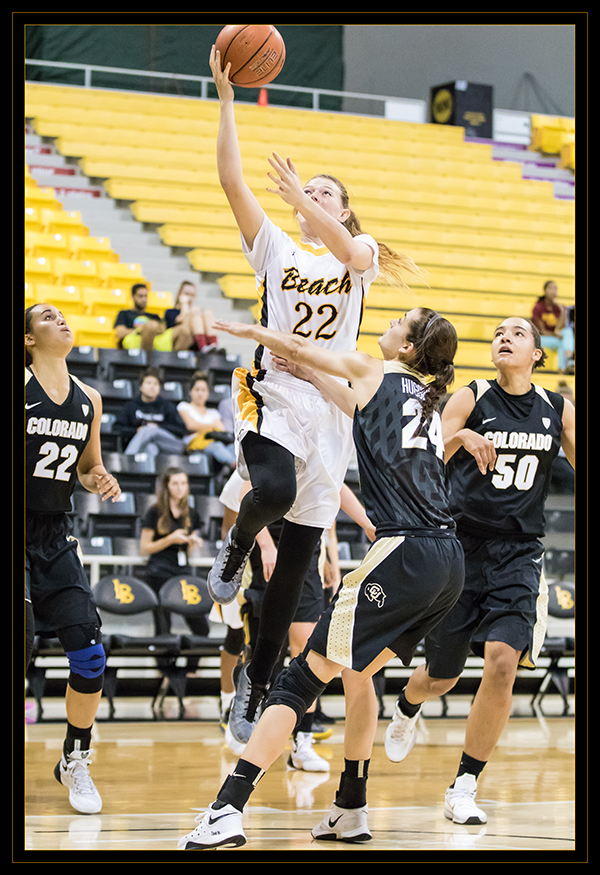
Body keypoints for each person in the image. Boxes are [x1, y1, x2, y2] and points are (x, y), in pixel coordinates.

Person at [178, 305, 463, 849]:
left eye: (400, 320)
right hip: (447, 564)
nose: (387, 322)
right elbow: (351, 403)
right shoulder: (430, 399)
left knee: (299, 678)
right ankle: (349, 809)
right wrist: (311, 377)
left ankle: (224, 810)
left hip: (403, 553)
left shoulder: (373, 369)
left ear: (408, 346)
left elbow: (306, 349)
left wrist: (251, 330)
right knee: (359, 677)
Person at [205, 46, 425, 748]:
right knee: (265, 488)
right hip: (271, 390)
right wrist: (230, 99)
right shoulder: (277, 248)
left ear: (345, 211)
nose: (315, 202)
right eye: (312, 195)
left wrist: (304, 197)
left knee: (294, 575)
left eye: (329, 196)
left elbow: (357, 252)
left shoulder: (357, 258)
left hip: (329, 416)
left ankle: (258, 683)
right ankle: (237, 546)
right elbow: (232, 180)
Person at [382, 316, 575, 826]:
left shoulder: (557, 409)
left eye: (516, 333)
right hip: (460, 548)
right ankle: (407, 704)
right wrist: (462, 435)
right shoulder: (471, 397)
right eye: (497, 333)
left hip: (519, 553)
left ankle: (464, 783)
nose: (503, 338)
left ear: (537, 353)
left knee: (503, 661)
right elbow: (425, 457)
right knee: (441, 677)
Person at [25, 303, 121, 814]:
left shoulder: (89, 398)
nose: (60, 321)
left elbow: (87, 466)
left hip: (56, 536)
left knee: (89, 655)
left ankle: (74, 758)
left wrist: (98, 477)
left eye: (63, 315)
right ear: (27, 340)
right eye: (46, 317)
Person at [139, 467, 205, 641]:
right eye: (175, 483)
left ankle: (191, 669)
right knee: (163, 628)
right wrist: (170, 539)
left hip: (182, 571)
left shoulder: (192, 513)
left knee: (201, 627)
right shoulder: (155, 512)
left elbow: (191, 550)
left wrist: (193, 542)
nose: (180, 488)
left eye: (183, 483)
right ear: (167, 486)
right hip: (159, 570)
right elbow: (144, 547)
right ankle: (165, 668)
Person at [114, 367, 187, 457]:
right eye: (148, 383)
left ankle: (128, 458)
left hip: (170, 445)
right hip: (148, 445)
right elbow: (117, 428)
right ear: (141, 387)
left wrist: (158, 427)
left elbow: (180, 430)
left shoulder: (167, 406)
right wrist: (136, 430)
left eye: (156, 384)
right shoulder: (131, 406)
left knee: (149, 429)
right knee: (150, 448)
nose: (152, 387)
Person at [176, 371, 236, 473]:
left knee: (232, 447)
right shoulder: (184, 406)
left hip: (214, 443)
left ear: (208, 393)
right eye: (197, 390)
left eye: (203, 390)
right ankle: (234, 465)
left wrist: (202, 427)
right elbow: (191, 425)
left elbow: (221, 429)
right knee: (216, 446)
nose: (200, 393)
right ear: (190, 392)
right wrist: (212, 426)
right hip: (195, 444)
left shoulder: (213, 412)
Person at [161, 280, 219, 353]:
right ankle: (203, 346)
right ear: (179, 295)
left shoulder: (196, 312)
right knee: (195, 312)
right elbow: (182, 321)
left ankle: (213, 345)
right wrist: (184, 304)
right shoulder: (170, 312)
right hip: (177, 340)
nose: (189, 298)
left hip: (193, 339)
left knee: (208, 313)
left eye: (192, 295)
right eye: (187, 294)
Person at [531, 280, 574, 373]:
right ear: (545, 291)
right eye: (550, 288)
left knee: (567, 332)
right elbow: (541, 331)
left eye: (555, 289)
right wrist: (556, 335)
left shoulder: (557, 308)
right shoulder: (538, 307)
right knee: (563, 340)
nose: (553, 291)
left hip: (553, 339)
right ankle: (565, 364)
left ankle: (565, 363)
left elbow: (559, 328)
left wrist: (563, 312)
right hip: (540, 339)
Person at [113, 283, 165, 351]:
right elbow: (119, 333)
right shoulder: (124, 313)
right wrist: (140, 330)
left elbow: (162, 331)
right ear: (132, 296)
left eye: (145, 296)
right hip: (131, 346)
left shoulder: (154, 316)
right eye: (140, 296)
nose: (143, 299)